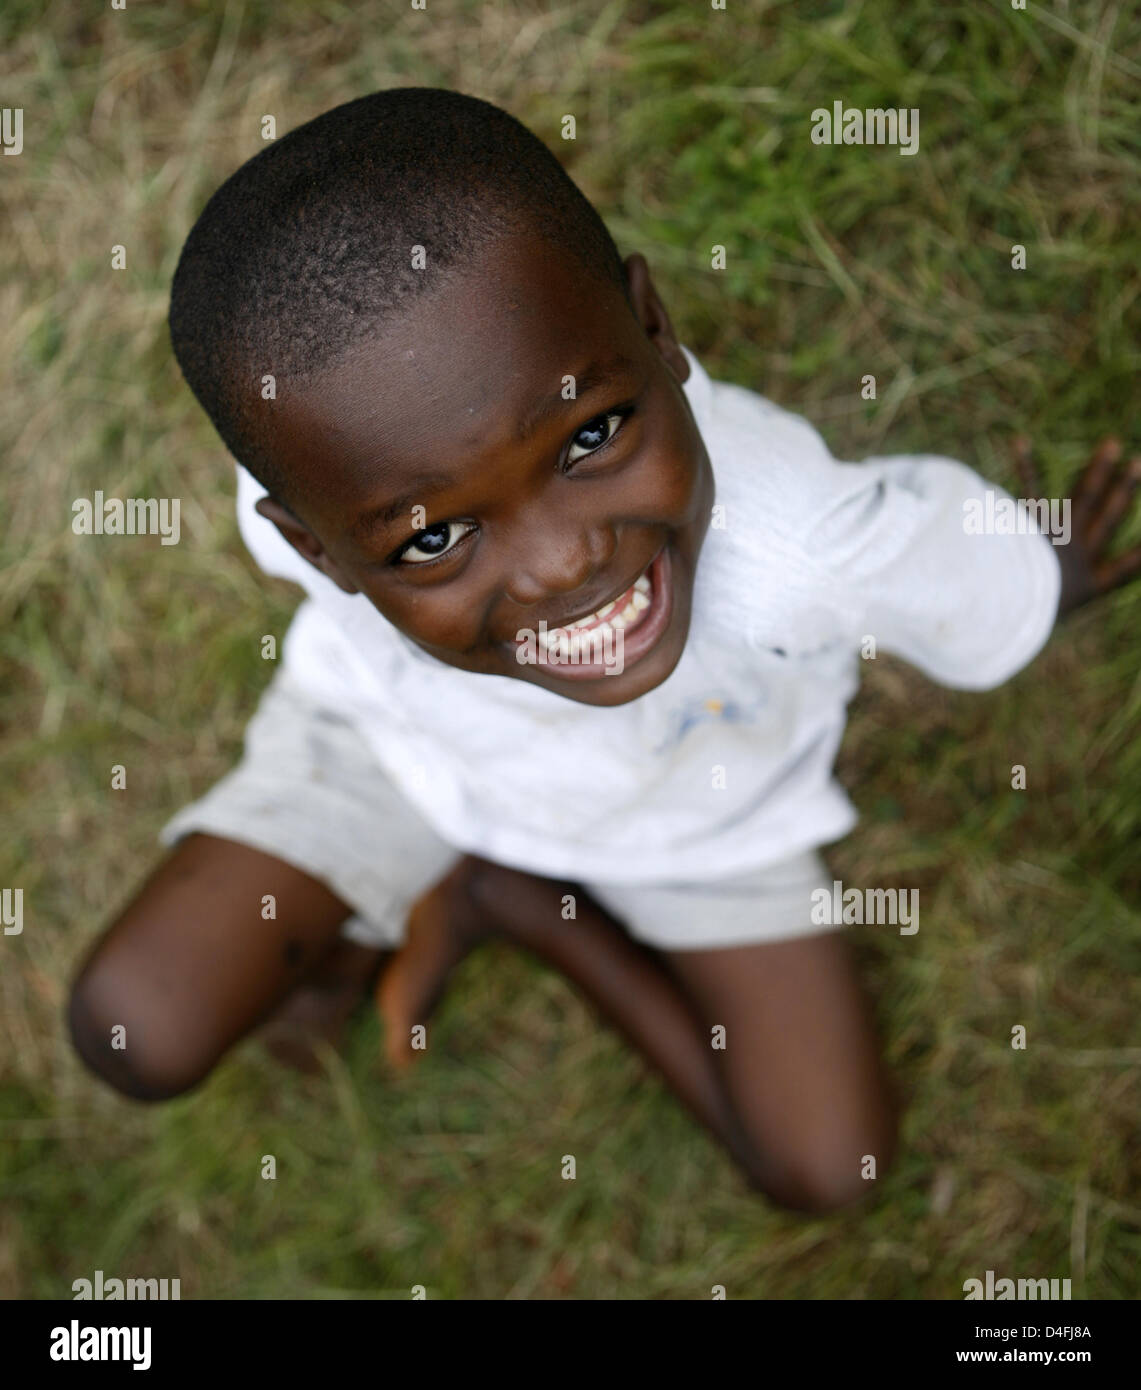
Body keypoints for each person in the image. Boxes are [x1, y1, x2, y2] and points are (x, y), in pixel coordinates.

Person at [67, 88, 1140, 1214]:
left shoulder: (794, 553)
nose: (562, 566)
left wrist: (1034, 577)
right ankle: (430, 888)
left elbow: (954, 586)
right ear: (312, 545)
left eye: (589, 436)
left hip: (700, 812)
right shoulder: (310, 490)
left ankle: (511, 903)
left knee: (830, 1169)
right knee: (135, 1029)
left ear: (653, 325)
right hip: (402, 748)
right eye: (432, 539)